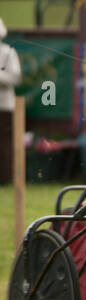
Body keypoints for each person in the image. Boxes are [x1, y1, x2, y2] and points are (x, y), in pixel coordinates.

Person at [0, 18, 22, 186]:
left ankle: (5, 177)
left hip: (3, 106)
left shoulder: (7, 52)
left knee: (4, 144)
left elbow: (15, 77)